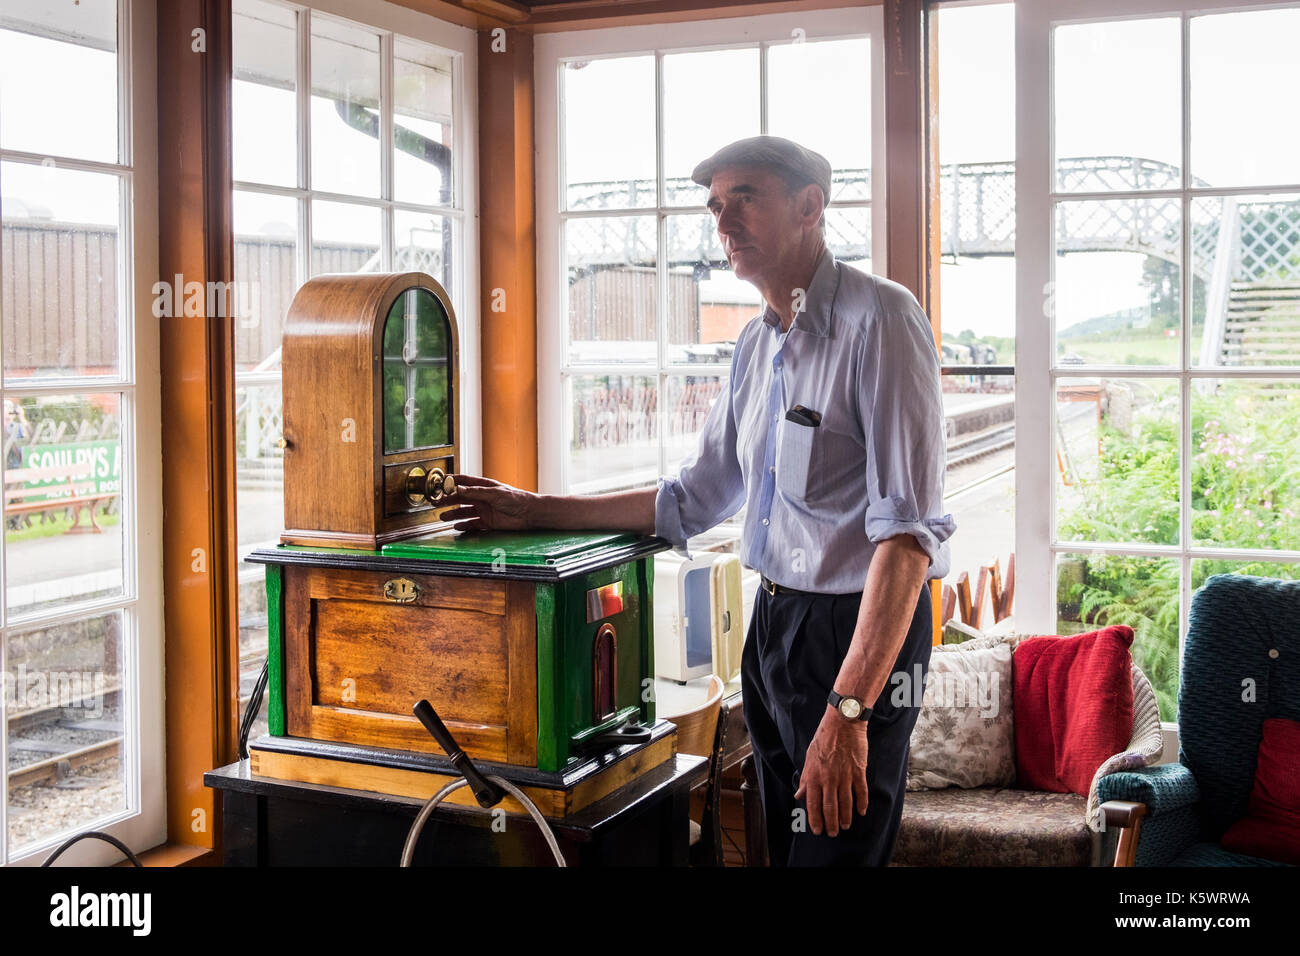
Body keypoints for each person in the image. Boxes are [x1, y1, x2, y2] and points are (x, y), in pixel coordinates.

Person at [443, 135, 954, 866]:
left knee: (834, 857)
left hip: (854, 633)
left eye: (746, 198)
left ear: (811, 206)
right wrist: (533, 510)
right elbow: (693, 498)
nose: (724, 221)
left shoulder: (883, 321)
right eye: (716, 205)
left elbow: (906, 539)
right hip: (774, 621)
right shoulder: (756, 345)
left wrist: (849, 713)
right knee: (779, 852)